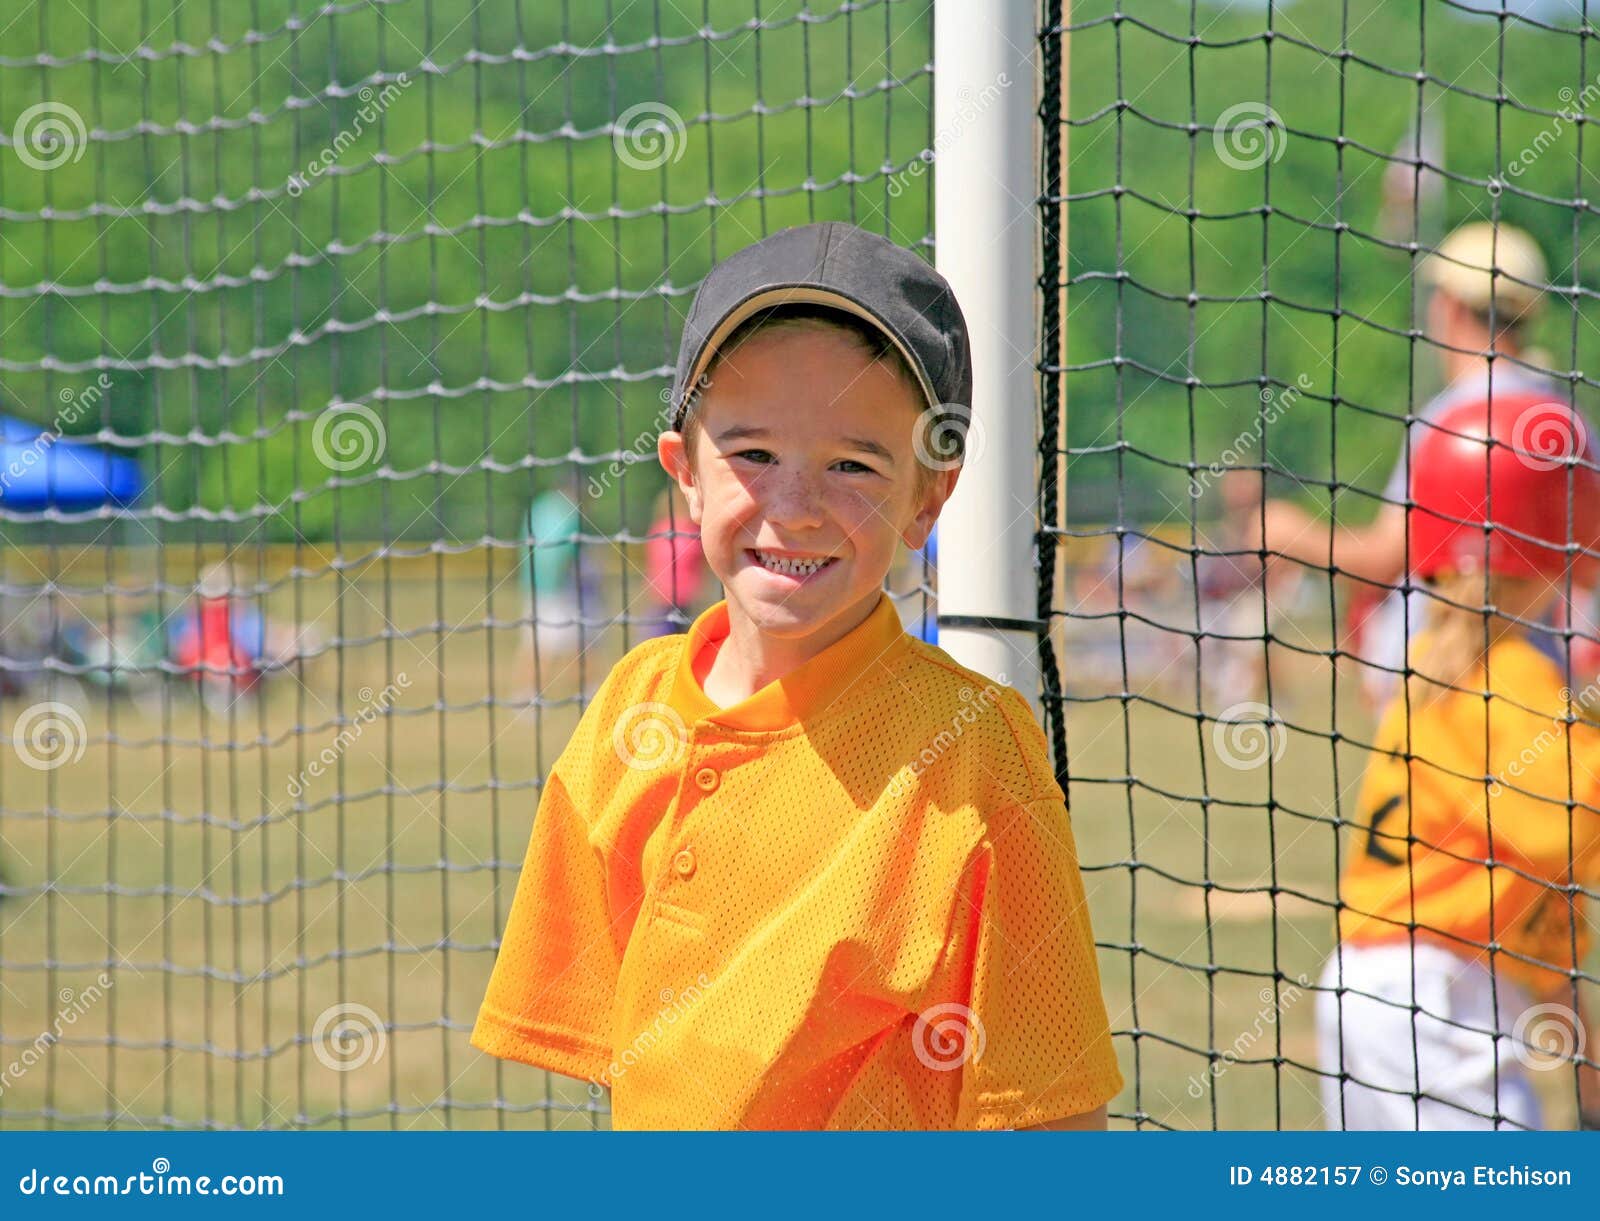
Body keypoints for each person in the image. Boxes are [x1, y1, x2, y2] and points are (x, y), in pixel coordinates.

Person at [469, 222, 1122, 1129]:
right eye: (754, 454)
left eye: (853, 464)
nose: (796, 508)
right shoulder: (630, 711)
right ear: (684, 472)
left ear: (929, 496)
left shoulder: (979, 758)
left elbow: (1053, 1124)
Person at [1315, 391, 1600, 1130]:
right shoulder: (1511, 679)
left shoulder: (1426, 669)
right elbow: (1571, 827)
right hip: (1439, 1000)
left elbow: (1532, 866)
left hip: (1363, 987)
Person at [1252, 222, 1589, 709]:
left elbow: (1385, 558)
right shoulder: (1568, 423)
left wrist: (1288, 533)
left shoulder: (1448, 422)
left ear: (1449, 306)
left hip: (1437, 687)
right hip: (1536, 685)